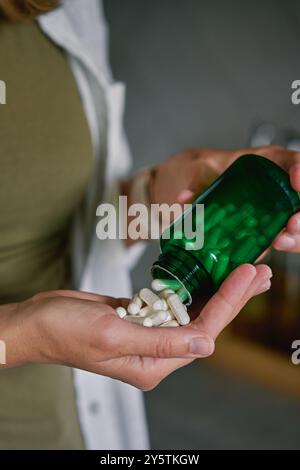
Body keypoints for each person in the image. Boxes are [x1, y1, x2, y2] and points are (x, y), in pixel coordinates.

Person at [0, 0, 299, 450]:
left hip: (72, 426)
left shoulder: (66, 8)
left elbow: (68, 215)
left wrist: (157, 192)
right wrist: (23, 336)